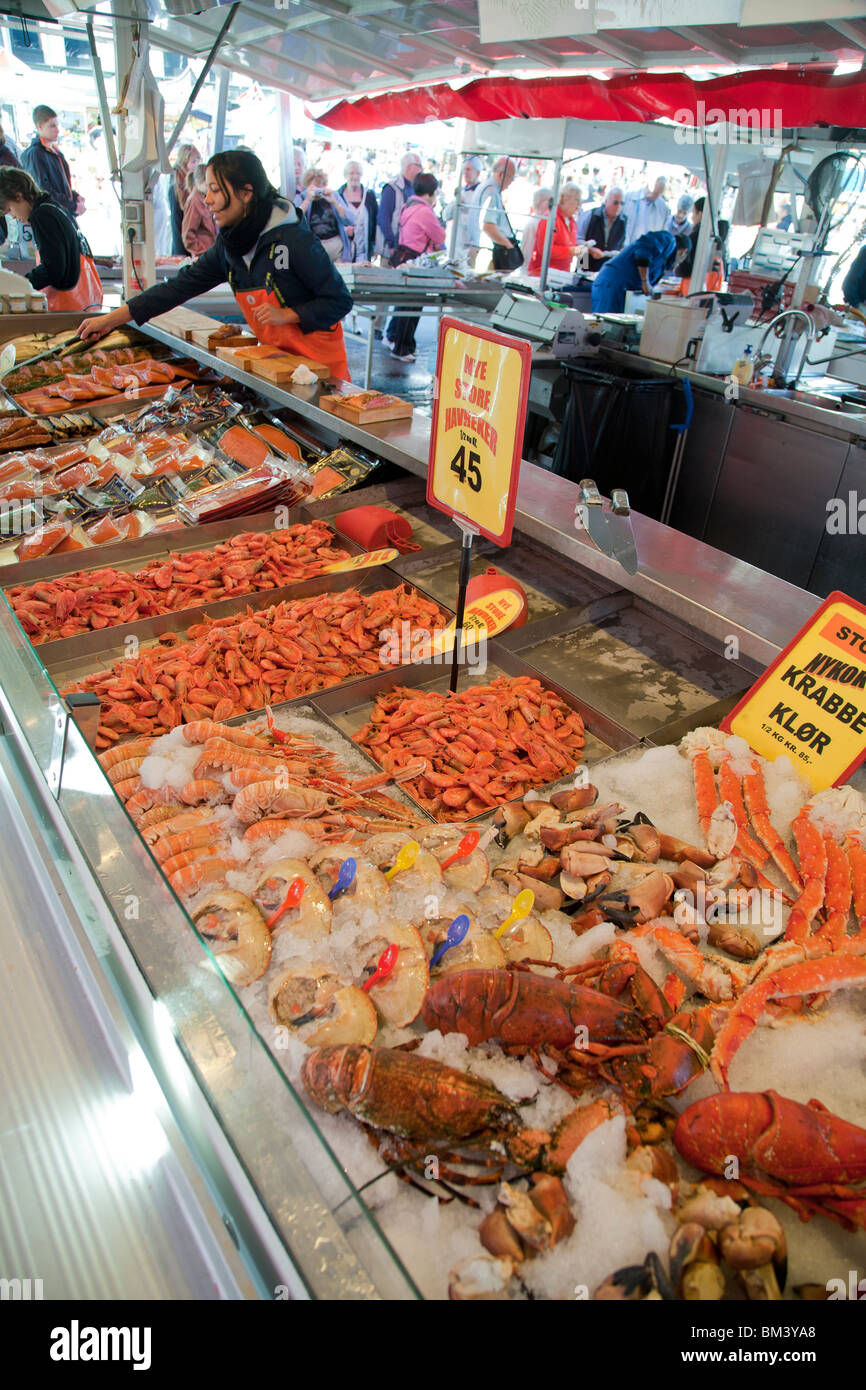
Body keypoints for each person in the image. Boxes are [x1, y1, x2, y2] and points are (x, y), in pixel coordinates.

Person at [76, 149, 353, 380]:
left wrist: (289, 314)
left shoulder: (295, 240)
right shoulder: (230, 246)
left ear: (246, 193)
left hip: (323, 372)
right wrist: (111, 319)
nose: (207, 200)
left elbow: (340, 301)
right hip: (280, 367)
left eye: (216, 190)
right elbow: (179, 287)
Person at [0, 165, 102, 311]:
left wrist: (21, 285)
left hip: (68, 307)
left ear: (18, 195)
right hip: (86, 304)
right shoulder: (55, 208)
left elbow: (53, 269)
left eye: (10, 209)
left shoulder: (42, 215)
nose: (13, 217)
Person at [385, 172, 446, 361]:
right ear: (431, 192)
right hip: (416, 259)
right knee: (412, 305)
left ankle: (393, 337)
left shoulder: (408, 205)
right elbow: (440, 236)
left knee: (403, 303)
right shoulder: (425, 211)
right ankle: (402, 348)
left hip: (402, 254)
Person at [590, 230, 690, 313]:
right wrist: (645, 282)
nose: (678, 264)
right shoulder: (668, 240)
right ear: (683, 252)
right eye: (682, 260)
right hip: (612, 284)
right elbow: (643, 252)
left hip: (623, 290)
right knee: (606, 327)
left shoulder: (663, 261)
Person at [20, 106, 83, 222]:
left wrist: (75, 197)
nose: (57, 130)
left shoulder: (53, 151)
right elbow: (43, 191)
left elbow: (60, 186)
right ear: (39, 126)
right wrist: (73, 205)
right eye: (52, 125)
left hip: (62, 215)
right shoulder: (35, 154)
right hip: (52, 219)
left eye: (57, 125)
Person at [527, 182, 584, 277]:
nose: (579, 205)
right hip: (543, 275)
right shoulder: (551, 218)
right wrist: (570, 251)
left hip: (561, 275)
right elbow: (546, 249)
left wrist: (586, 248)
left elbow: (570, 245)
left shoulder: (571, 221)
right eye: (577, 200)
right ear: (565, 199)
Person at [377, 151, 423, 264]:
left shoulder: (416, 189)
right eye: (419, 166)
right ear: (409, 167)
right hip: (391, 253)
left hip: (408, 252)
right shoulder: (392, 189)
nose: (422, 170)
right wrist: (392, 244)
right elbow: (383, 219)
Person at [300, 168, 355, 262]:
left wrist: (334, 202)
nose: (318, 191)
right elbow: (295, 218)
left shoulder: (333, 195)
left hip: (337, 247)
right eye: (314, 187)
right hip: (315, 248)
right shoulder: (302, 197)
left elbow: (350, 219)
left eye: (320, 187)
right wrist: (308, 200)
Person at [475, 156, 520, 271]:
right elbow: (487, 226)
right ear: (501, 175)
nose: (511, 182)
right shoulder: (491, 191)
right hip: (489, 252)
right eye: (511, 177)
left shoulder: (485, 187)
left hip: (484, 250)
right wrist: (508, 245)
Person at [443, 154, 483, 264]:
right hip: (454, 245)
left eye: (469, 169)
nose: (466, 173)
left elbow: (477, 222)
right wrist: (457, 201)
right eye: (464, 169)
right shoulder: (461, 192)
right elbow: (446, 215)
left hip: (469, 247)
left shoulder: (480, 194)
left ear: (478, 173)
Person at [339, 160, 377, 262]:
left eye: (358, 173)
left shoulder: (369, 196)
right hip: (344, 251)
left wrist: (374, 246)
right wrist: (344, 230)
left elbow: (375, 221)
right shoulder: (338, 196)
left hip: (364, 251)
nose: (355, 176)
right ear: (345, 175)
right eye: (351, 173)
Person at [168, 143, 200, 255]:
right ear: (184, 163)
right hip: (182, 248)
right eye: (193, 161)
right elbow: (176, 223)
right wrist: (180, 254)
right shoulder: (175, 189)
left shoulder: (194, 185)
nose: (196, 165)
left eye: (198, 160)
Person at [181, 163, 218, 257]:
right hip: (203, 255)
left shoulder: (205, 198)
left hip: (211, 253)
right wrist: (202, 252)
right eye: (207, 185)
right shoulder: (194, 201)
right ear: (198, 182)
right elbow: (187, 235)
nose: (211, 189)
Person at [581, 187, 627, 262]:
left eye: (622, 203)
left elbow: (623, 245)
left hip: (608, 267)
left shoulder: (624, 221)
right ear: (606, 201)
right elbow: (577, 240)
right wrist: (590, 250)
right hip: (585, 264)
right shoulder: (591, 215)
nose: (618, 206)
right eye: (615, 203)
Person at [622, 176, 669, 245]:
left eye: (659, 194)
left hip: (646, 251)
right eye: (654, 192)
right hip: (625, 247)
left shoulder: (663, 208)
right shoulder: (628, 197)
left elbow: (662, 234)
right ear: (647, 185)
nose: (656, 196)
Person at [520, 186, 553, 269]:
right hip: (530, 270)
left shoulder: (542, 221)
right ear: (540, 202)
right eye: (549, 201)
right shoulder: (533, 224)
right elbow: (527, 251)